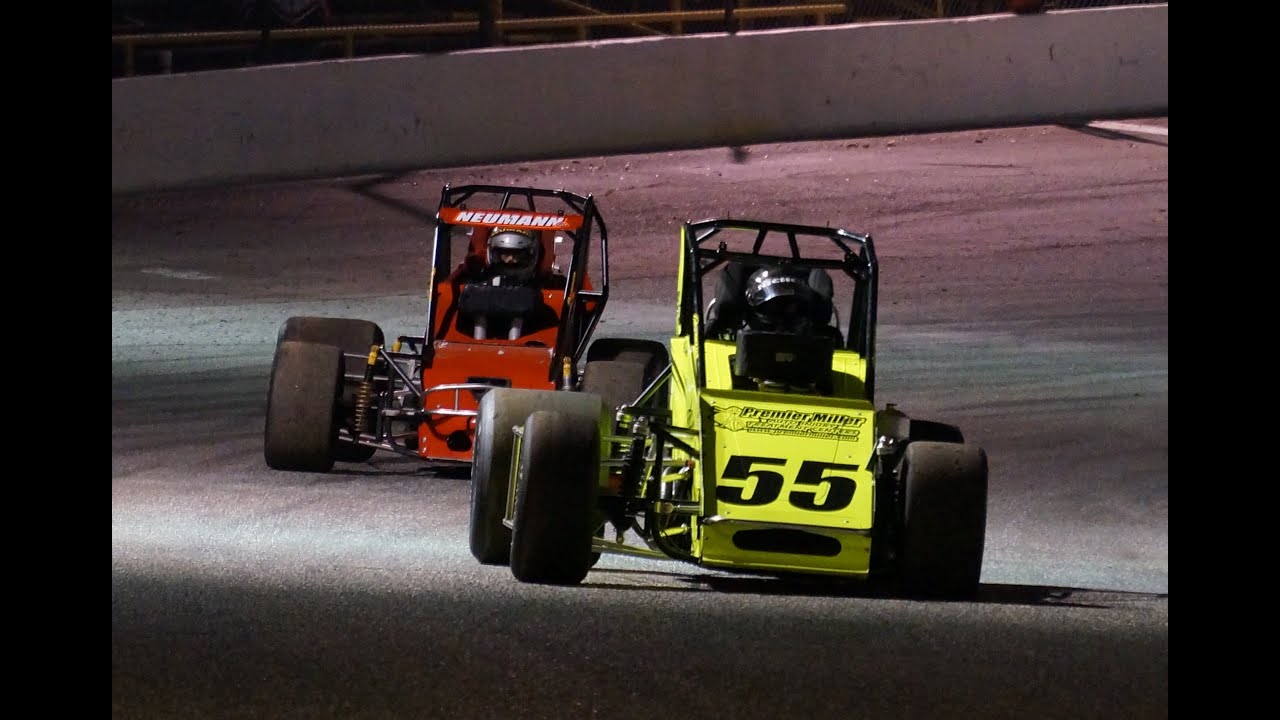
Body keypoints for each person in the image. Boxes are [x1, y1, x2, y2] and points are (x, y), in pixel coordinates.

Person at [464, 227, 544, 340]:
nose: (510, 260)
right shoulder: (481, 278)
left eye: (517, 256)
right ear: (492, 252)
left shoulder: (538, 282)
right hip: (480, 331)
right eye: (505, 254)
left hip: (525, 335)